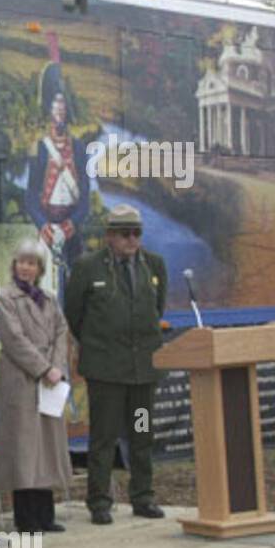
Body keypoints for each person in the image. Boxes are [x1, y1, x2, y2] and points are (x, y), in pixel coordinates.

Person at [63, 203, 168, 524]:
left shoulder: (153, 265)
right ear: (110, 236)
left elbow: (157, 309)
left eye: (136, 233)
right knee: (104, 437)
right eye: (124, 234)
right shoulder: (88, 267)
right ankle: (99, 500)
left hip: (142, 369)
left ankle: (143, 495)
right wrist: (99, 344)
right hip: (106, 369)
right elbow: (74, 314)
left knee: (141, 433)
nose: (131, 240)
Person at [0, 240, 73, 533]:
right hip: (21, 379)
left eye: (32, 263)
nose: (26, 268)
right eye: (21, 262)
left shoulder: (49, 299)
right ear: (14, 265)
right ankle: (25, 517)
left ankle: (46, 513)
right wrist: (43, 368)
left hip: (49, 379)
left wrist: (56, 367)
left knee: (47, 445)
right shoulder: (4, 297)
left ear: (40, 268)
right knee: (23, 446)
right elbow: (13, 339)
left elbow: (61, 332)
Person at [26, 39, 91, 291]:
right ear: (49, 108)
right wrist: (44, 225)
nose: (59, 109)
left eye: (63, 104)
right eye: (55, 104)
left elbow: (84, 195)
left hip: (71, 228)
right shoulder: (40, 147)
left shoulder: (78, 148)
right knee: (43, 287)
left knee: (78, 285)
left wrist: (70, 225)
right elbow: (31, 195)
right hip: (46, 227)